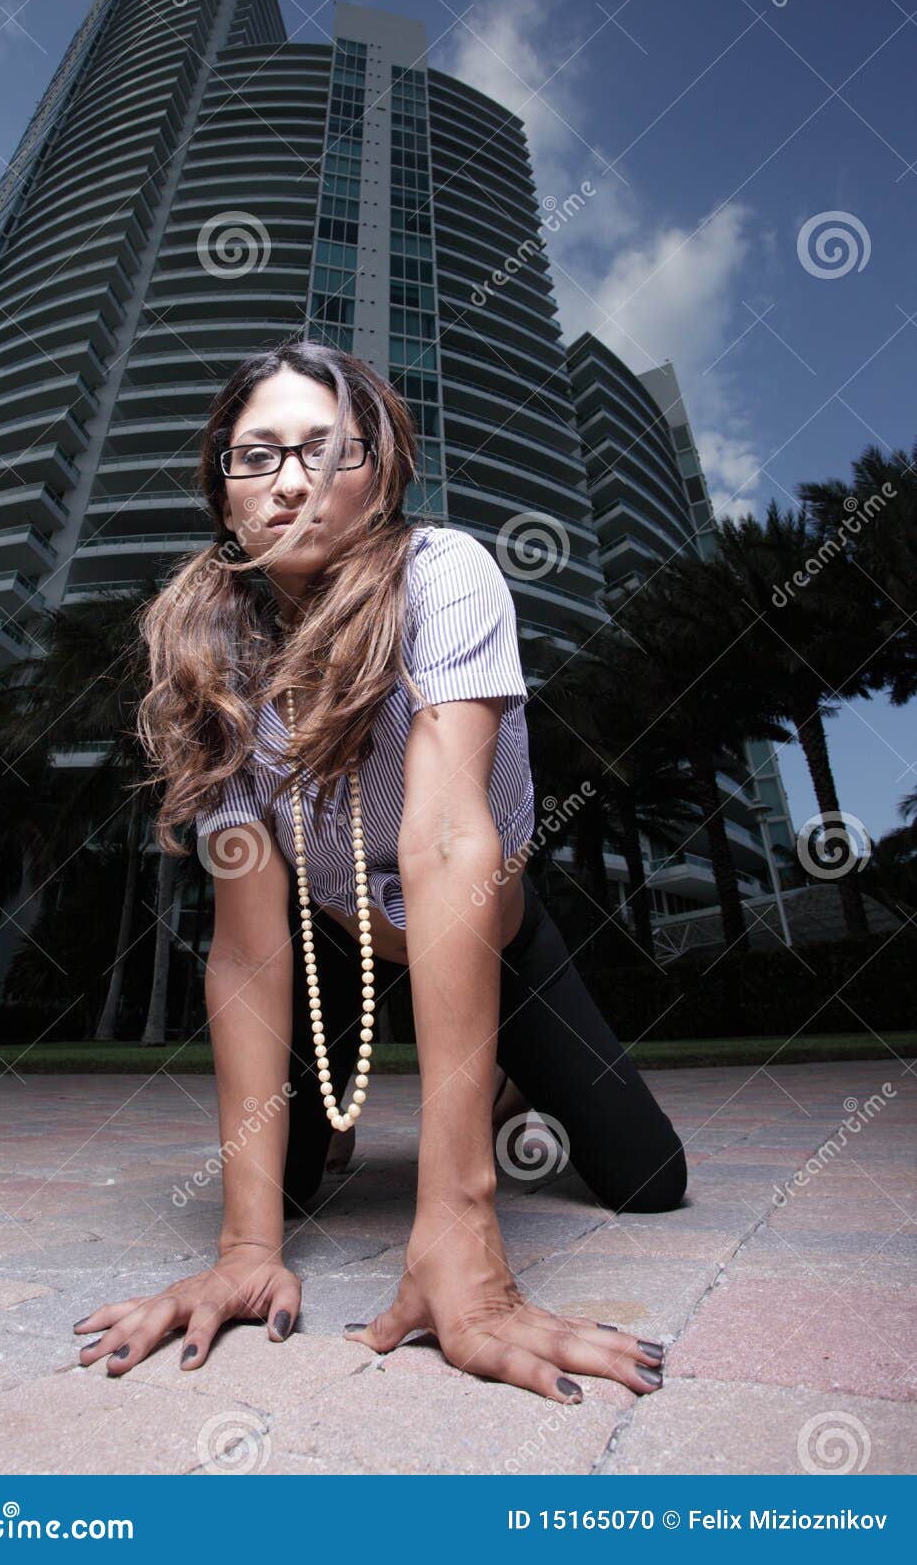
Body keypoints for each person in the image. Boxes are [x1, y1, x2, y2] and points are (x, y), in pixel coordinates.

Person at [72, 339, 686, 1407]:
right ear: (222, 494)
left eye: (324, 449)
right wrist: (241, 1243)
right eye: (255, 456)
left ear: (380, 472)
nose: (292, 480)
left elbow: (449, 847)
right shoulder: (208, 660)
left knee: (646, 1178)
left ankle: (493, 1078)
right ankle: (335, 1134)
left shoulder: (443, 573)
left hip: (485, 928)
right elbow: (249, 941)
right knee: (293, 1183)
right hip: (329, 934)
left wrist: (456, 1224)